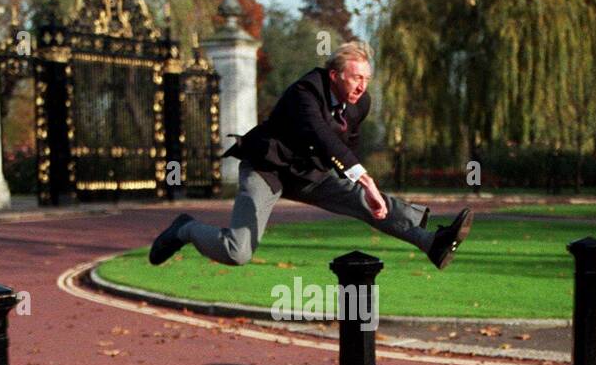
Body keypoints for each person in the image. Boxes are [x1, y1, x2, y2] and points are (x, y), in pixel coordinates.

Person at [149, 40, 473, 269]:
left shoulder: (361, 102)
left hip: (309, 174)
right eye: (356, 77)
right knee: (238, 253)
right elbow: (322, 136)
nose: (363, 86)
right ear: (335, 75)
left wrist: (363, 188)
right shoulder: (305, 92)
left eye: (367, 78)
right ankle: (186, 228)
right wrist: (366, 180)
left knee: (366, 203)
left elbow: (347, 145)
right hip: (268, 168)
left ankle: (432, 242)